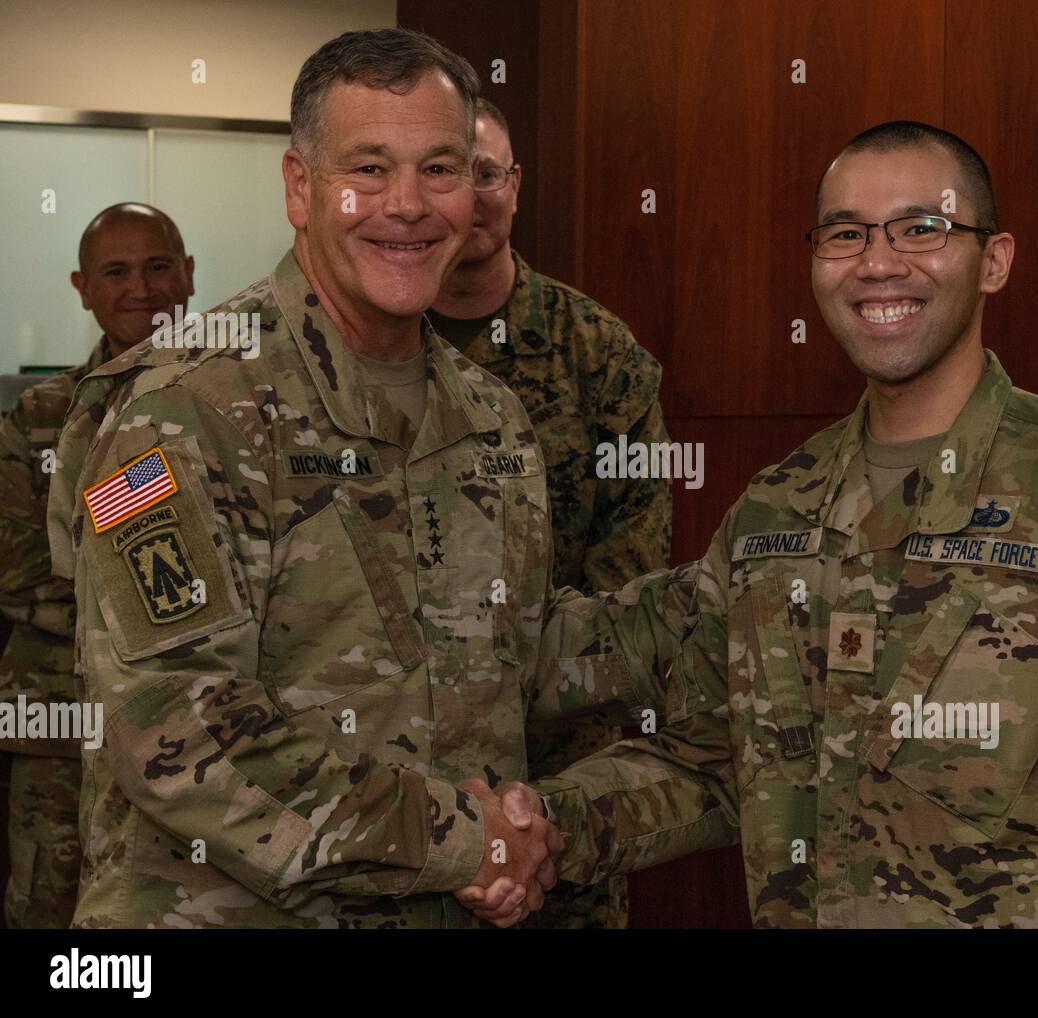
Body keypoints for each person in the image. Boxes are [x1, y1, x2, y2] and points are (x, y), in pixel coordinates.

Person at [459, 121, 1038, 929]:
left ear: (995, 260)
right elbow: (712, 756)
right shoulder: (775, 510)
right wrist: (543, 829)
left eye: (923, 227)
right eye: (846, 234)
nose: (879, 262)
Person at [45, 28, 673, 929]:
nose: (408, 206)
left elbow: (512, 653)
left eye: (441, 169)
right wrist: (470, 839)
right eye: (368, 170)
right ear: (301, 187)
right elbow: (181, 731)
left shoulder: (491, 417)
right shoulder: (181, 408)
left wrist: (735, 608)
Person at [428, 98, 671, 929]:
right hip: (398, 767)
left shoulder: (598, 352)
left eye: (488, 173)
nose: (475, 195)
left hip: (557, 770)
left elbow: (634, 560)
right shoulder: (371, 343)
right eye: (451, 173)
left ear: (516, 186)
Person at [0, 203, 194, 927]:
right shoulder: (43, 414)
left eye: (157, 266)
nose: (139, 288)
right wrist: (148, 599)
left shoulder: (239, 402)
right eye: (116, 271)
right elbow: (14, 565)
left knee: (168, 907)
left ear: (190, 275)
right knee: (46, 905)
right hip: (58, 716)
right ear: (83, 286)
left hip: (200, 722)